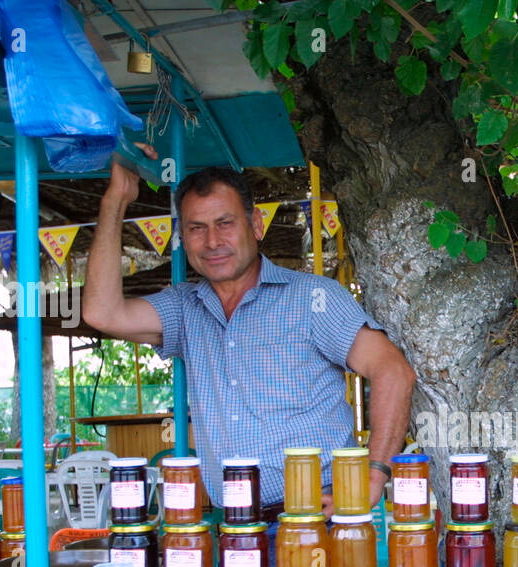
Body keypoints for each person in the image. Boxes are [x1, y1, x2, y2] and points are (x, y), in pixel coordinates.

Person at [82, 150, 416, 519]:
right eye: (196, 228)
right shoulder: (184, 308)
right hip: (236, 526)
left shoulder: (312, 297)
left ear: (255, 225)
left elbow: (393, 371)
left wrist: (373, 476)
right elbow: (102, 312)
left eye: (225, 223)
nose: (212, 241)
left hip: (321, 519)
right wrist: (116, 199)